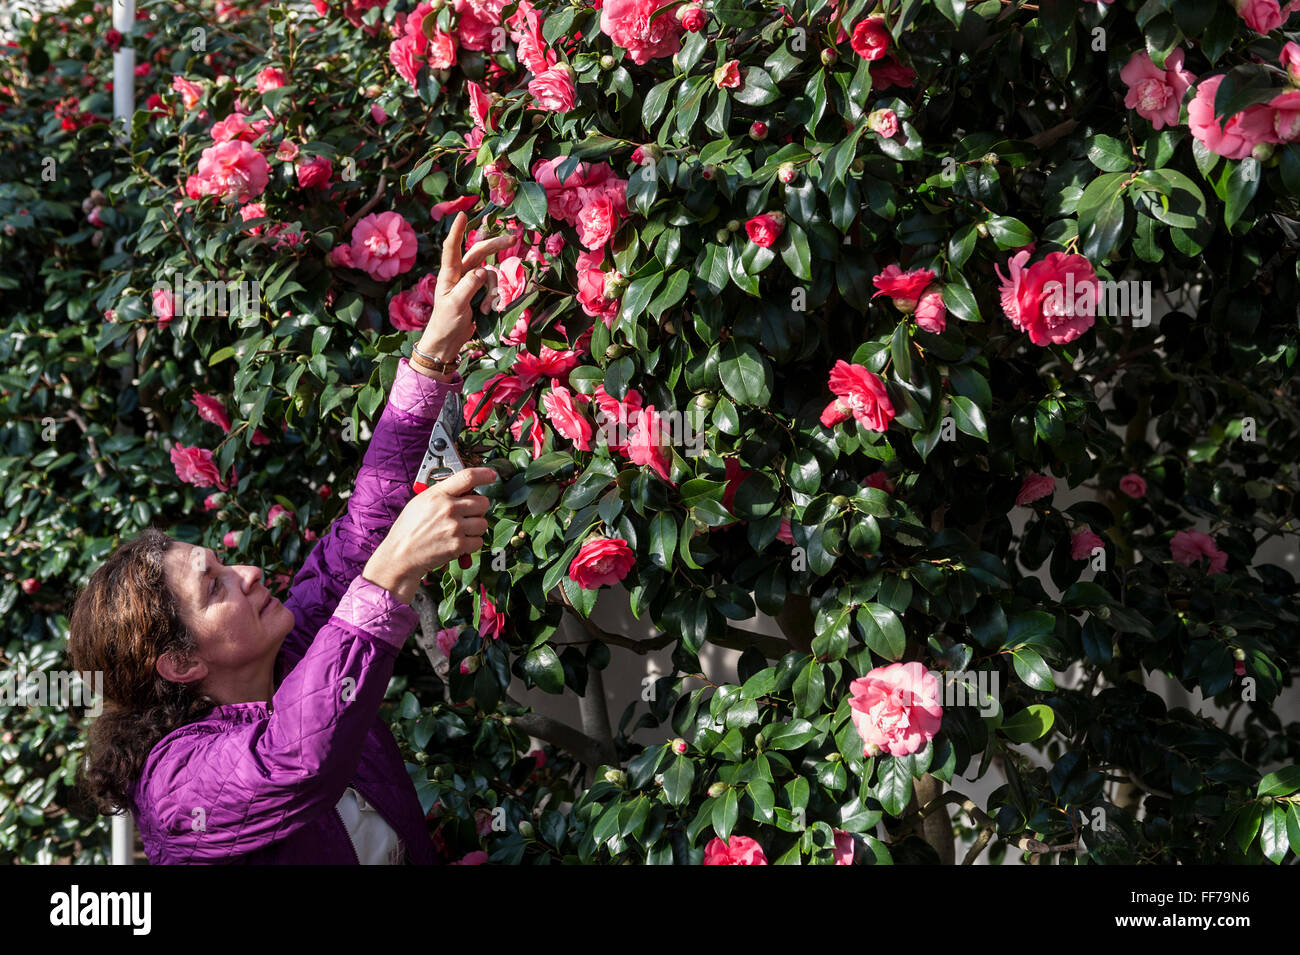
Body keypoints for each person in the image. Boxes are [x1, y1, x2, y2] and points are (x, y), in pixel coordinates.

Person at [66, 213, 513, 863]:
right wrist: (390, 574)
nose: (248, 572)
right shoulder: (176, 787)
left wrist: (433, 350)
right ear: (182, 663)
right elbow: (295, 758)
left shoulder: (293, 649)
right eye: (215, 584)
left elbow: (366, 520)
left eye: (223, 562)